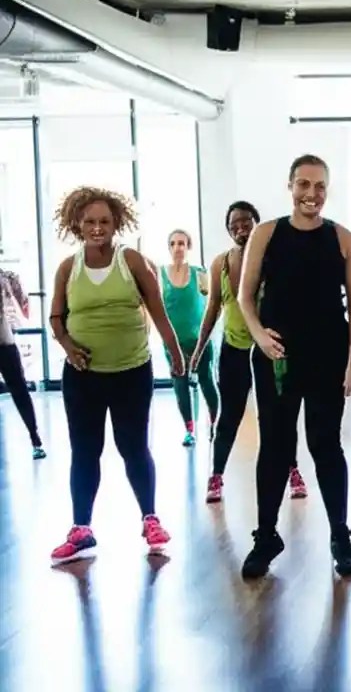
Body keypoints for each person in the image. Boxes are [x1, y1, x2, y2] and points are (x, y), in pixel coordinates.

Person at [237, 153, 351, 579]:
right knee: (274, 445)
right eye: (304, 185)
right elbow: (245, 297)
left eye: (320, 186)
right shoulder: (265, 233)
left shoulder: (344, 240)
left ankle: (340, 535)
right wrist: (258, 333)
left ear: (328, 190)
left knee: (325, 444)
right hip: (278, 357)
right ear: (291, 186)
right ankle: (266, 535)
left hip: (327, 357)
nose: (312, 194)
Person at [48, 186, 183, 565]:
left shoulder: (132, 261)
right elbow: (56, 317)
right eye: (89, 221)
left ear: (116, 223)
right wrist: (67, 345)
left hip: (131, 373)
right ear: (77, 224)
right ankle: (81, 529)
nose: (97, 228)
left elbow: (158, 312)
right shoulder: (67, 267)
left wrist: (175, 355)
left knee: (133, 448)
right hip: (83, 378)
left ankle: (150, 519)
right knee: (86, 451)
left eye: (104, 221)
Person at [191, 202, 307, 504]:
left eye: (246, 222)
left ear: (257, 222)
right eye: (234, 224)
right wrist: (199, 349)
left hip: (270, 349)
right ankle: (216, 476)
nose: (241, 228)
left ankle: (292, 470)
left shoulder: (272, 258)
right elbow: (213, 307)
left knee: (278, 416)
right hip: (234, 349)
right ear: (228, 229)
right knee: (230, 415)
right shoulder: (220, 264)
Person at [160, 229, 217, 446]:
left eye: (182, 243)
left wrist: (204, 339)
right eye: (173, 243)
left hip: (199, 341)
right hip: (174, 343)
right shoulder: (161, 276)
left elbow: (210, 305)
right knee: (180, 385)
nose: (177, 248)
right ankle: (189, 429)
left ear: (188, 246)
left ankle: (214, 423)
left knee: (207, 382)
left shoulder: (200, 273)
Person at [0, 269, 44, 458]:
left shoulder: (6, 277)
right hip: (5, 342)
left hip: (4, 342)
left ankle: (35, 439)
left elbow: (24, 309)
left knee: (19, 390)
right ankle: (35, 440)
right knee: (19, 390)